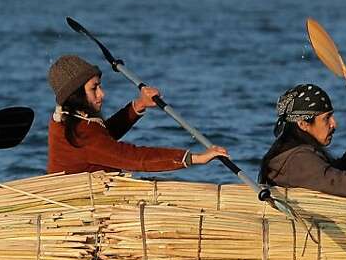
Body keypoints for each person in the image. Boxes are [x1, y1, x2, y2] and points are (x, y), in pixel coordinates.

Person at [44, 55, 226, 176]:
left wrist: (139, 105)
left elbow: (103, 138)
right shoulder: (80, 132)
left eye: (99, 86)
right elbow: (132, 157)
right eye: (94, 88)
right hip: (78, 208)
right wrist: (195, 158)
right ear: (75, 94)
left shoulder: (67, 119)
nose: (102, 94)